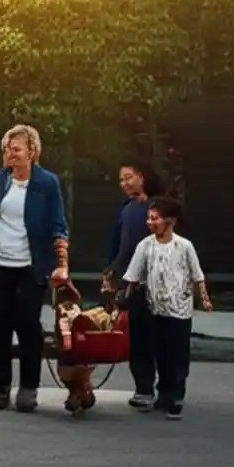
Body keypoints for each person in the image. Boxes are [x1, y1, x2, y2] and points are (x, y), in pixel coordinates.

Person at [0, 124, 70, 413]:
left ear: (32, 152)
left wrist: (62, 264)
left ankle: (28, 389)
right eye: (7, 149)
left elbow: (58, 225)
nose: (10, 154)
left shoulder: (47, 183)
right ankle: (1, 387)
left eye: (16, 149)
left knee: (28, 327)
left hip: (31, 267)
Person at [120, 196, 212, 420]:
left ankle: (176, 395)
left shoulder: (184, 246)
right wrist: (124, 299)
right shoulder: (145, 246)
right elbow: (133, 276)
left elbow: (197, 275)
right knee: (160, 353)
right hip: (156, 309)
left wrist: (205, 299)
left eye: (156, 219)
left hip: (180, 309)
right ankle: (163, 394)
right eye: (149, 219)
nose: (150, 223)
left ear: (170, 221)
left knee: (178, 354)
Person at [100, 161, 163, 410]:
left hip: (158, 280)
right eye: (121, 179)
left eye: (129, 177)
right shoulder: (126, 208)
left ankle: (168, 389)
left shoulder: (157, 206)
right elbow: (119, 244)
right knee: (139, 335)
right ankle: (144, 387)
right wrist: (111, 271)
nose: (124, 183)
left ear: (142, 176)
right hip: (132, 281)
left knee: (160, 337)